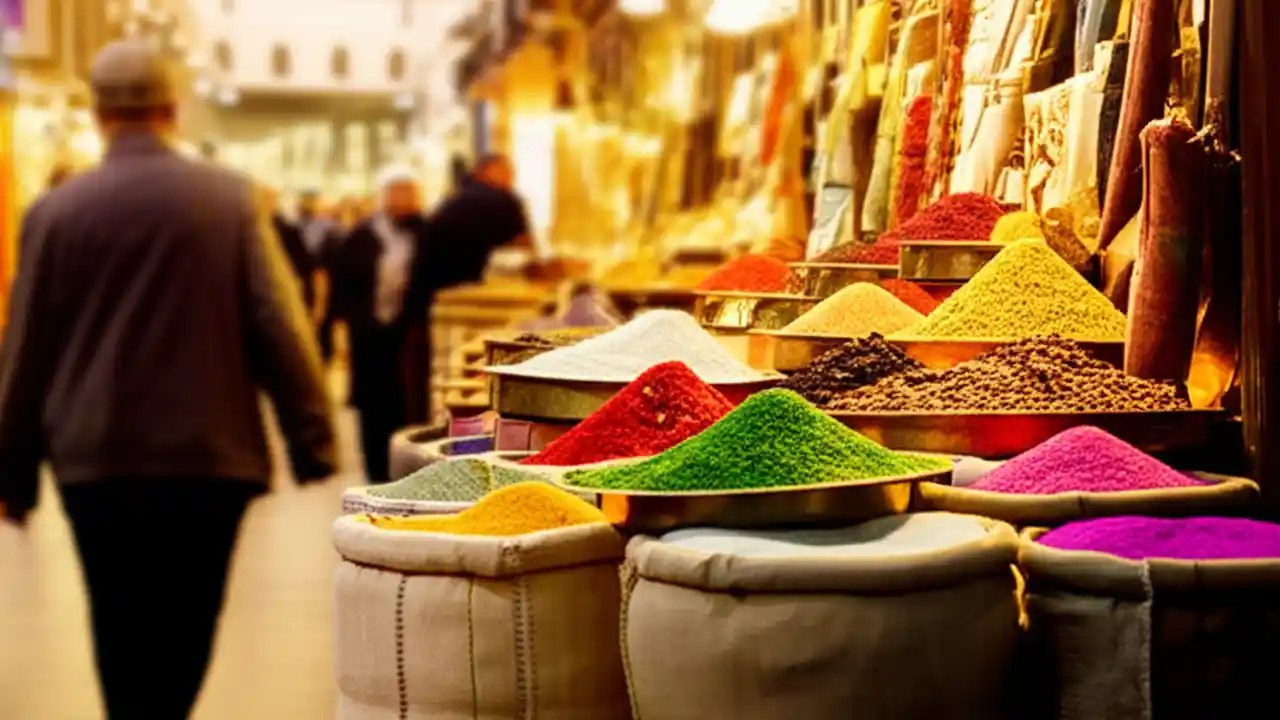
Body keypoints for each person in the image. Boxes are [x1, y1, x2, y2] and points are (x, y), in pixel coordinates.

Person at [0, 40, 336, 719]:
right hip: (207, 459)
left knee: (117, 618)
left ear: (97, 116)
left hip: (97, 460)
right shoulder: (229, 201)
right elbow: (280, 323)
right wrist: (311, 439)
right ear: (172, 110)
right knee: (186, 623)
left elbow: (25, 347)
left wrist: (13, 471)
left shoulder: (55, 215)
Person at [332, 167, 433, 483]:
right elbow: (344, 285)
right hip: (369, 336)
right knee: (372, 406)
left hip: (409, 337)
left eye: (410, 192)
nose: (404, 199)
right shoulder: (363, 235)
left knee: (408, 405)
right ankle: (375, 473)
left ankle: (405, 472)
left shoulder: (425, 233)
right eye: (397, 192)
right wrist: (349, 327)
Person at [428, 153, 533, 286]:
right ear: (487, 171)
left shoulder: (452, 199)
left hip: (436, 280)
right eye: (507, 172)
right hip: (470, 283)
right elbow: (524, 246)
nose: (511, 179)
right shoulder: (504, 199)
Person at [297, 189, 339, 361]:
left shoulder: (327, 229)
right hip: (311, 287)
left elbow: (321, 271)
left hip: (317, 285)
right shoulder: (326, 228)